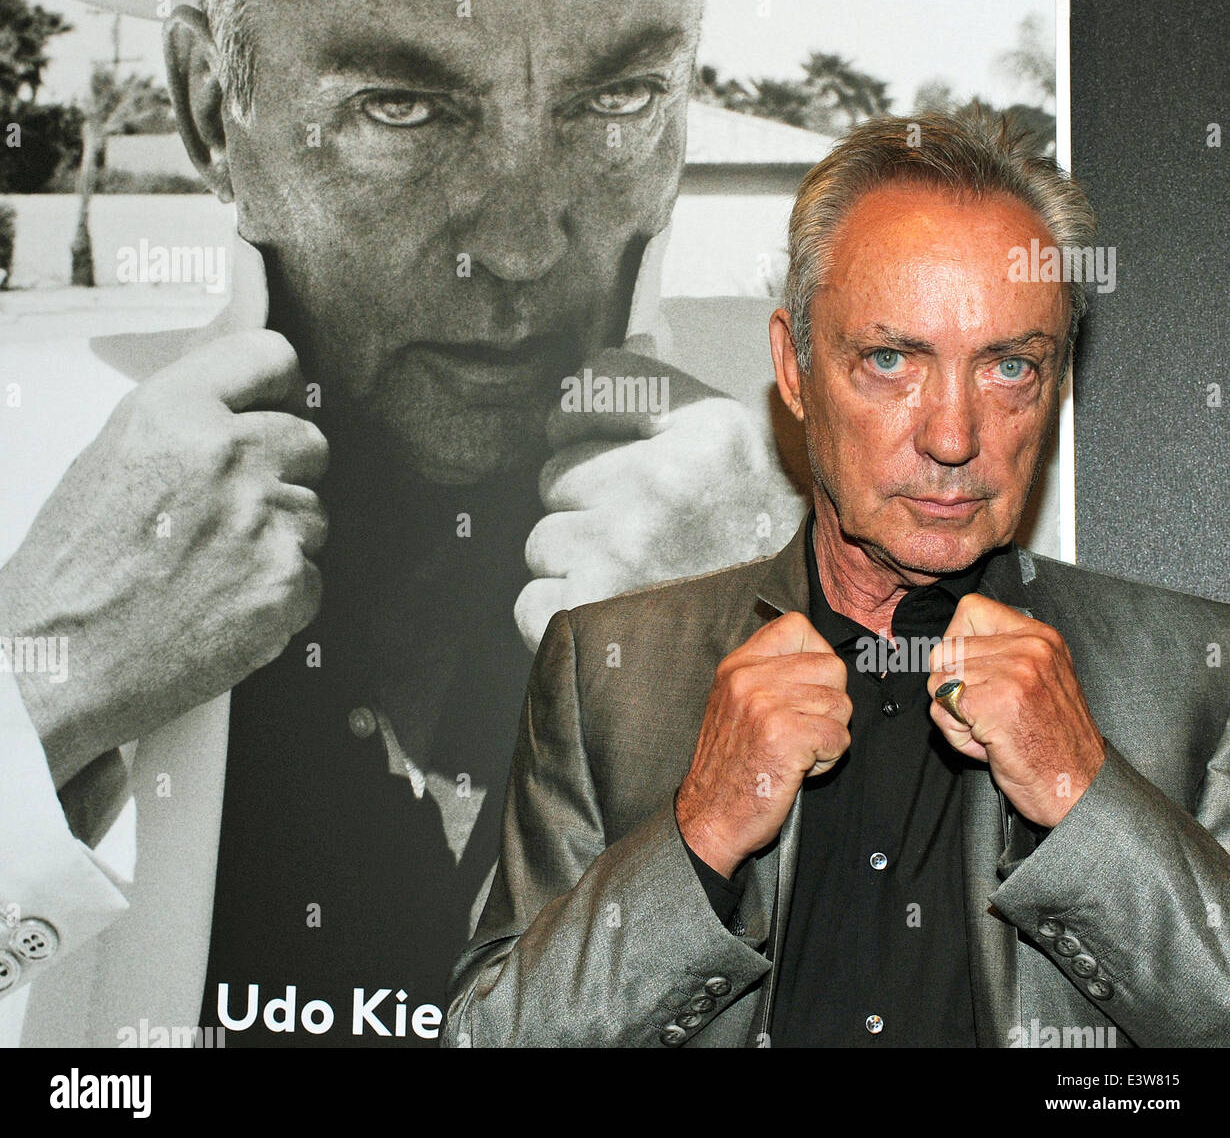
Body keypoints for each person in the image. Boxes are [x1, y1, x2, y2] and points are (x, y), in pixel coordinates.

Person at [0, 0, 974, 1047]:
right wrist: (34, 696)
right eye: (402, 107)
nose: (520, 243)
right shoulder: (31, 497)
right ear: (209, 112)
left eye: (617, 98)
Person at [445, 110, 1230, 1049]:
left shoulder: (1192, 669)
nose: (953, 437)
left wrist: (1082, 792)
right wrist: (699, 835)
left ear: (1056, 381)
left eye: (1010, 366)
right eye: (892, 360)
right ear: (792, 364)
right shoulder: (607, 668)